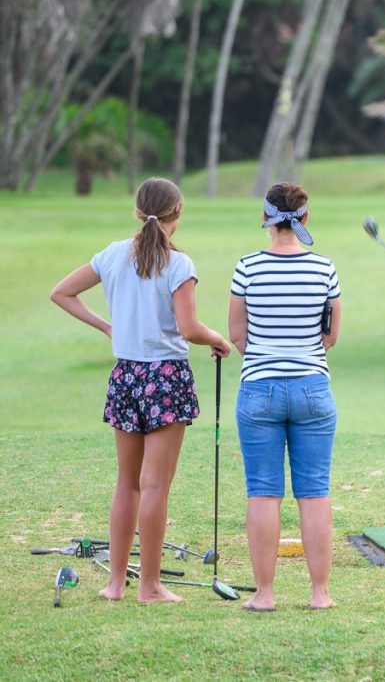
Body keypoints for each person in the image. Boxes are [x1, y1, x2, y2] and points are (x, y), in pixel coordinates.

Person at [50, 177, 231, 604]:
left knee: (126, 484)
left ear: (138, 212)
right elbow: (188, 329)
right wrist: (218, 340)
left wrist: (107, 326)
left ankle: (116, 583)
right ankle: (149, 587)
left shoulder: (113, 255)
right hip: (166, 378)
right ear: (177, 214)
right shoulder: (179, 264)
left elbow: (62, 292)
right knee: (155, 487)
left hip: (126, 376)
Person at [229, 182, 341, 611]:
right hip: (313, 387)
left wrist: (265, 354)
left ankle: (265, 595)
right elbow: (331, 336)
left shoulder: (246, 268)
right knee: (314, 492)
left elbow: (238, 334)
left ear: (265, 219)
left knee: (263, 491)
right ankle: (319, 594)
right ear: (305, 219)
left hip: (259, 388)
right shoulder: (324, 268)